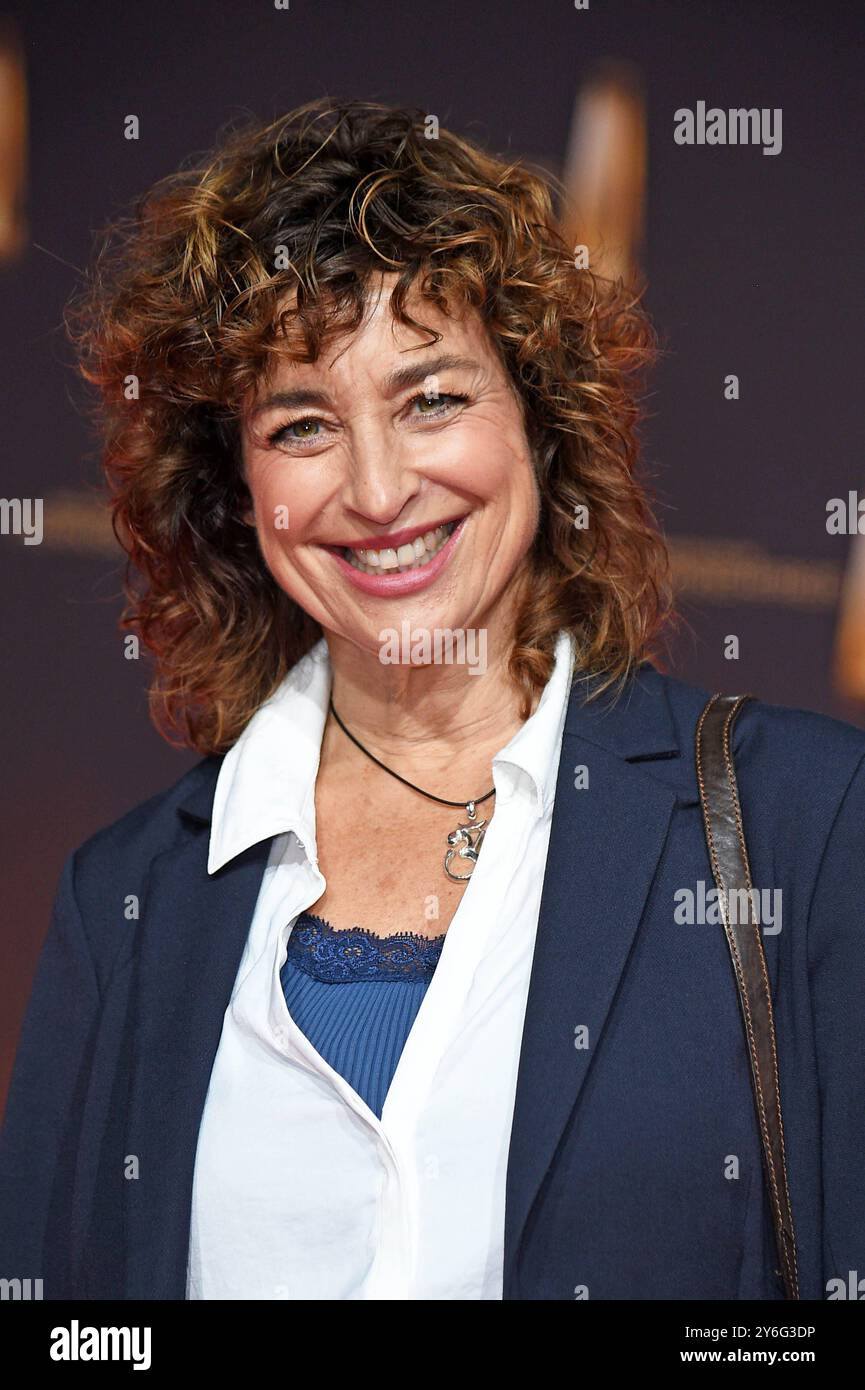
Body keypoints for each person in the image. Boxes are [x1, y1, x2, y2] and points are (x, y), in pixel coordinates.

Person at [1, 98, 863, 1301]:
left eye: (433, 399)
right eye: (303, 423)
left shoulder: (802, 825)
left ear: (539, 422)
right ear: (237, 486)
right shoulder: (126, 903)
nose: (377, 487)